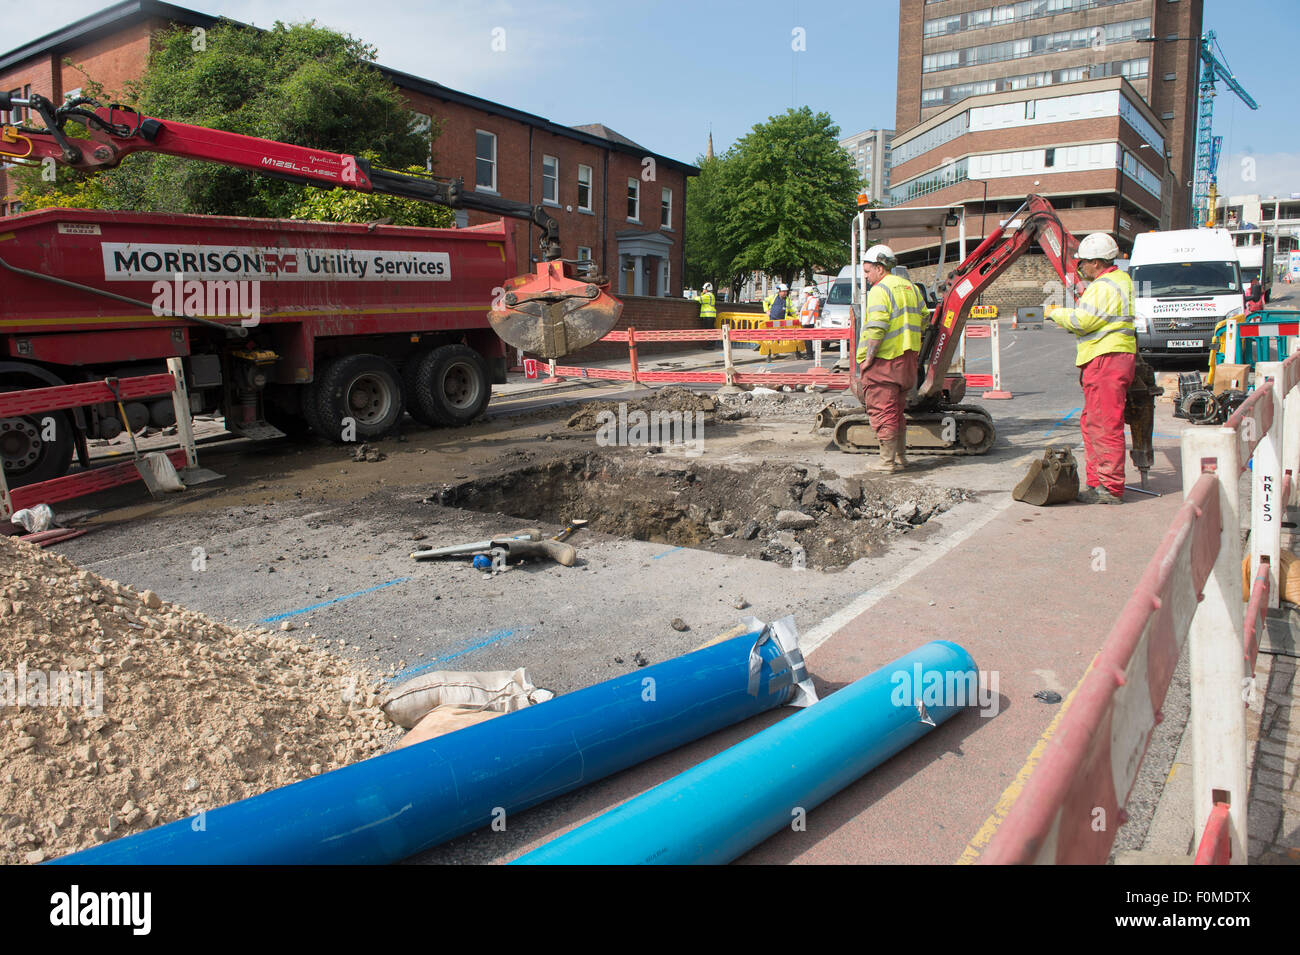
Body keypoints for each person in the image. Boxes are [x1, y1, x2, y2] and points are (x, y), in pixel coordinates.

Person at [1046, 232, 1137, 505]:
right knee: (1092, 422)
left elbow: (1083, 321)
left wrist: (1053, 312)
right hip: (1108, 358)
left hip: (1106, 359)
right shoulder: (1119, 281)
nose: (1080, 267)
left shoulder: (1104, 286)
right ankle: (1098, 483)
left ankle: (1109, 488)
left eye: (1083, 263)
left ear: (1096, 262)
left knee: (1104, 424)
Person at [854, 245, 927, 471]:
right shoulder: (911, 287)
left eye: (867, 272)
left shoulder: (880, 290)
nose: (866, 278)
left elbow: (877, 327)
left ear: (879, 267)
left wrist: (868, 359)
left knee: (882, 411)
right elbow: (924, 317)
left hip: (884, 361)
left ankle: (886, 462)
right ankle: (901, 458)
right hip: (907, 361)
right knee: (897, 410)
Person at [798, 285, 821, 360]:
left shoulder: (812, 300)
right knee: (807, 339)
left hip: (809, 322)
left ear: (807, 293)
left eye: (805, 293)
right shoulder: (809, 300)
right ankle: (809, 354)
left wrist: (808, 320)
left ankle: (810, 355)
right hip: (807, 322)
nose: (804, 295)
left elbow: (811, 311)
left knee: (808, 339)